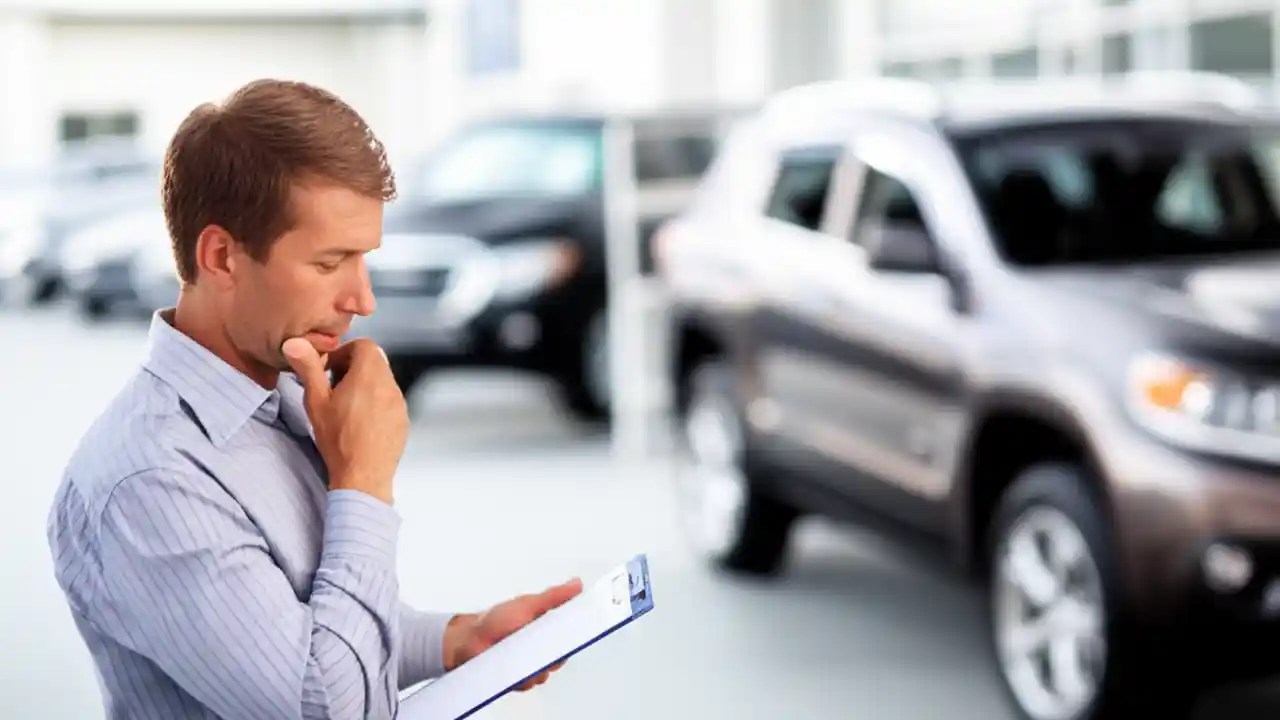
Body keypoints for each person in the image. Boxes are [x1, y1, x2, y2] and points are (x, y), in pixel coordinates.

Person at [46, 78, 582, 720]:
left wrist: (458, 638)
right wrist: (362, 482)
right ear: (221, 257)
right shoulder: (149, 481)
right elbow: (325, 705)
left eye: (365, 259)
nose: (363, 299)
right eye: (331, 263)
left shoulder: (281, 396)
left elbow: (312, 631)